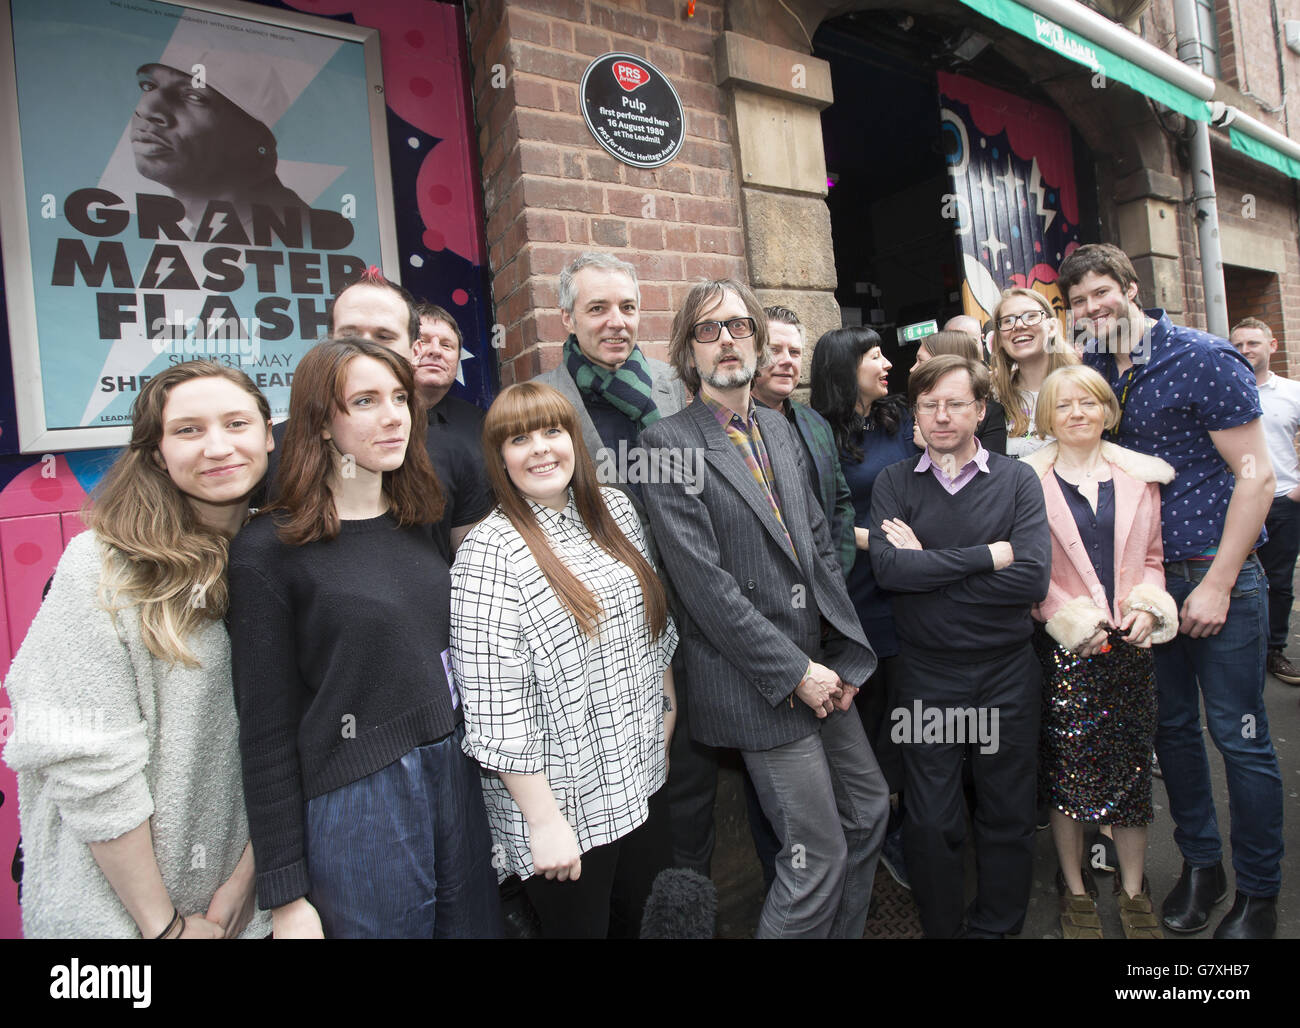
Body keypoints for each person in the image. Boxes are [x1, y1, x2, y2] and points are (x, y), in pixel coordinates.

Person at [227, 337, 500, 938]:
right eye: (366, 401)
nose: (393, 415)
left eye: (400, 397)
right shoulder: (268, 550)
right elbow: (266, 731)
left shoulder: (419, 518)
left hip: (455, 772)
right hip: (358, 798)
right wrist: (287, 893)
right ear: (323, 423)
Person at [641, 278, 888, 939]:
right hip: (759, 684)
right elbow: (706, 591)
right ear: (687, 353)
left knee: (867, 813)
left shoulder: (780, 429)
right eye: (708, 329)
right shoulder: (665, 446)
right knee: (816, 856)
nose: (727, 340)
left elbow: (820, 551)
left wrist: (842, 656)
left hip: (819, 669)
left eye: (739, 325)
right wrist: (795, 673)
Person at [3, 361, 275, 938]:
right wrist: (164, 927)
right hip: (120, 918)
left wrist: (249, 880)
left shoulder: (280, 554)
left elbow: (297, 735)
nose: (218, 446)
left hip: (245, 908)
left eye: (236, 423)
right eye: (188, 430)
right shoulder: (104, 566)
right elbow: (83, 754)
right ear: (155, 453)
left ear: (268, 434)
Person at [1062, 242, 1282, 939]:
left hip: (1217, 576)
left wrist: (1217, 584)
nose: (1093, 309)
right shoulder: (1096, 368)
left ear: (1130, 286)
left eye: (1102, 293)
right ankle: (1202, 865)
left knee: (1240, 738)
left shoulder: (1203, 358)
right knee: (1174, 732)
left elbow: (1258, 476)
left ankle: (1259, 891)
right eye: (1078, 303)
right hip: (1146, 590)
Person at [451, 383, 677, 938]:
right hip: (562, 809)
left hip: (640, 779)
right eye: (519, 438)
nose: (540, 449)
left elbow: (653, 626)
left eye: (553, 431)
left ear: (574, 439)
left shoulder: (615, 512)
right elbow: (493, 707)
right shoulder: (489, 551)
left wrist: (665, 723)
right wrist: (545, 823)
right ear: (499, 458)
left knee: (642, 926)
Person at [869, 353, 1051, 938]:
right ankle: (943, 928)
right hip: (928, 678)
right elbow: (891, 573)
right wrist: (983, 559)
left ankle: (998, 927)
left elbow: (1031, 581)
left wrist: (930, 567)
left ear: (980, 409)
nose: (941, 415)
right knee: (929, 819)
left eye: (955, 403)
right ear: (915, 415)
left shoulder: (1019, 481)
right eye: (928, 405)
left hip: (1006, 675)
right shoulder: (894, 483)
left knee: (1005, 811)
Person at [1022, 366, 1179, 939]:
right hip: (1067, 651)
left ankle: (1135, 892)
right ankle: (1077, 889)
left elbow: (1155, 559)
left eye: (1088, 402)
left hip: (1131, 647)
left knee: (1133, 770)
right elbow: (1029, 567)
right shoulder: (1027, 481)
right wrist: (1070, 622)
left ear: (1107, 409)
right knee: (1068, 772)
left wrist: (1148, 605)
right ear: (1047, 417)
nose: (1077, 413)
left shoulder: (1141, 478)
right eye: (1063, 406)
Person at [265, 271, 492, 555]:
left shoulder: (454, 453)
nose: (364, 349)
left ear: (415, 351)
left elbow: (474, 570)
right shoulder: (272, 453)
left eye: (384, 336)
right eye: (349, 336)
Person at [811, 326, 922, 890]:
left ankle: (899, 827)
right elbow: (819, 523)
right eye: (873, 355)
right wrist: (878, 539)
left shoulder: (900, 419)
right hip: (858, 595)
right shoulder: (815, 432)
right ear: (841, 367)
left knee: (908, 714)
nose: (885, 363)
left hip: (909, 591)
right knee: (871, 712)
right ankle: (872, 830)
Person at [131, 63, 307, 224]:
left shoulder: (294, 233)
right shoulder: (210, 236)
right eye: (148, 86)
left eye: (194, 96)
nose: (145, 109)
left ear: (257, 141)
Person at [754, 306, 855, 575]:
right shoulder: (731, 428)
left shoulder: (816, 424)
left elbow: (841, 505)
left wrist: (836, 574)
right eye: (775, 350)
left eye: (795, 352)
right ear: (751, 355)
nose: (787, 360)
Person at [1229, 316, 1300, 686]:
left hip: (1282, 502)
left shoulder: (1292, 392)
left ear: (1272, 345)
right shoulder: (1222, 387)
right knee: (1233, 577)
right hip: (1236, 501)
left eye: (1252, 343)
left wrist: (1297, 489)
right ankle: (1242, 651)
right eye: (1238, 344)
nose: (1245, 351)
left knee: (1279, 581)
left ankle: (1273, 649)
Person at [989, 287, 1079, 458]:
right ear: (999, 338)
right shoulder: (993, 395)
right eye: (1008, 321)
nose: (1019, 325)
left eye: (1031, 316)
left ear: (1052, 327)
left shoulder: (1083, 385)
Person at [912, 329, 1007, 454]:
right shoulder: (910, 413)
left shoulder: (991, 414)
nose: (913, 369)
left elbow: (991, 467)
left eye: (921, 361)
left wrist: (932, 446)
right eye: (929, 406)